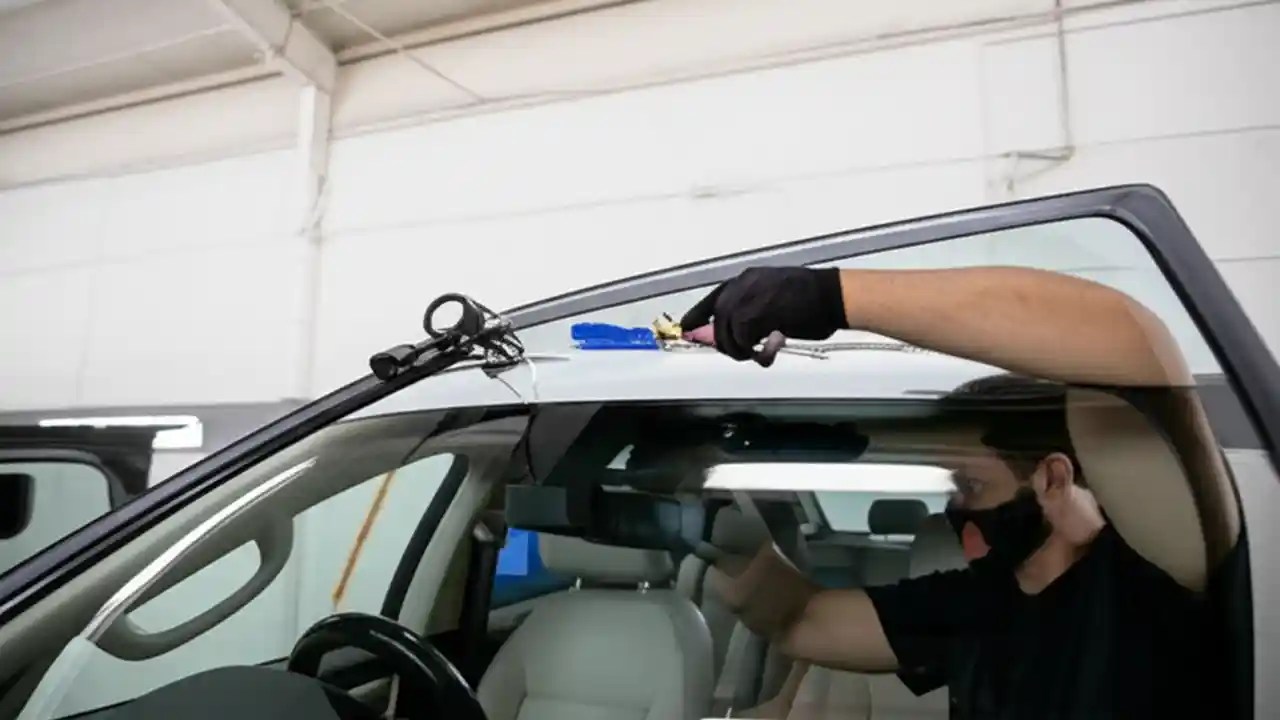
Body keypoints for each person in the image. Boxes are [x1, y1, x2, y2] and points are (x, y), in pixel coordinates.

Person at [679, 265, 1241, 719]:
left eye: (970, 485)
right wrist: (716, 530)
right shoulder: (982, 600)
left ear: (1054, 478)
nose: (955, 510)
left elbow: (1132, 342)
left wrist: (828, 297)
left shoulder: (1150, 577)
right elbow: (801, 620)